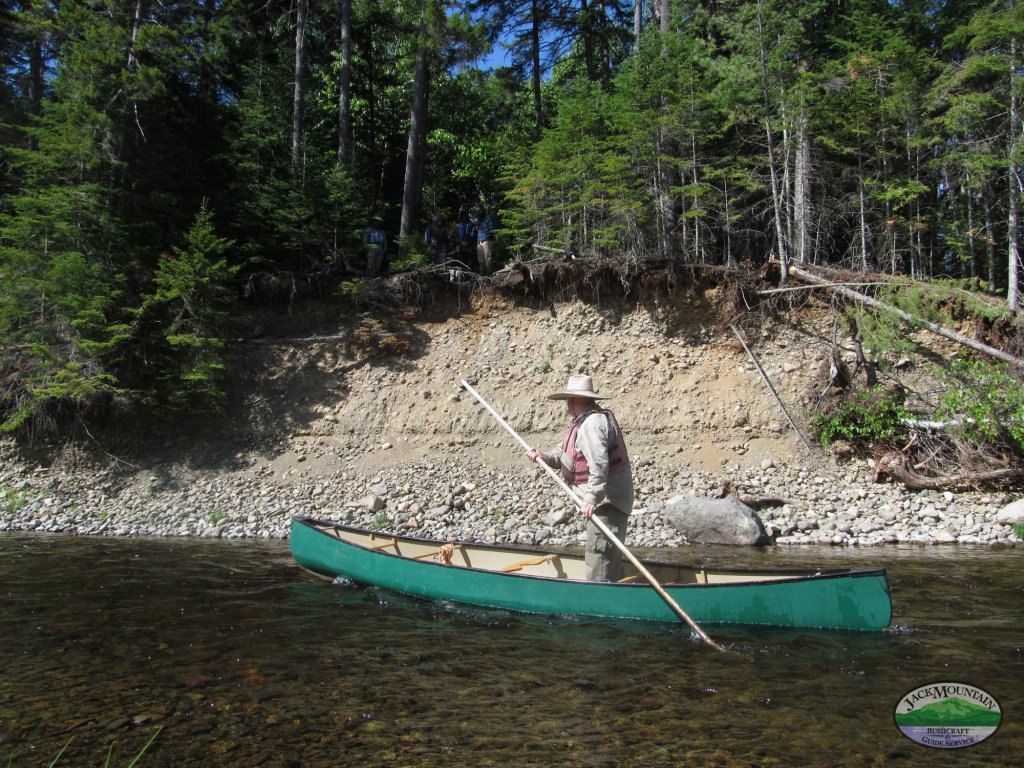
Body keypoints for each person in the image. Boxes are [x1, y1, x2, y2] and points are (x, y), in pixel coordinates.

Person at [526, 374, 634, 582]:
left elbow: (599, 465)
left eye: (568, 399)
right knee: (607, 560)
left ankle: (600, 600)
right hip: (604, 503)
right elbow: (566, 455)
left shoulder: (592, 425)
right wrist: (543, 457)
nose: (566, 404)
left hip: (607, 504)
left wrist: (592, 498)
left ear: (575, 399)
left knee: (599, 562)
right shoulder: (582, 422)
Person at [475, 206, 497, 276]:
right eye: (477, 211)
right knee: (481, 261)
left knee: (487, 259)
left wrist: (489, 237)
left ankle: (488, 276)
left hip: (487, 240)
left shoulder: (488, 217)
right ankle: (481, 276)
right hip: (479, 240)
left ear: (482, 211)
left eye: (479, 211)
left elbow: (492, 228)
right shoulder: (479, 220)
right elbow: (478, 230)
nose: (477, 212)